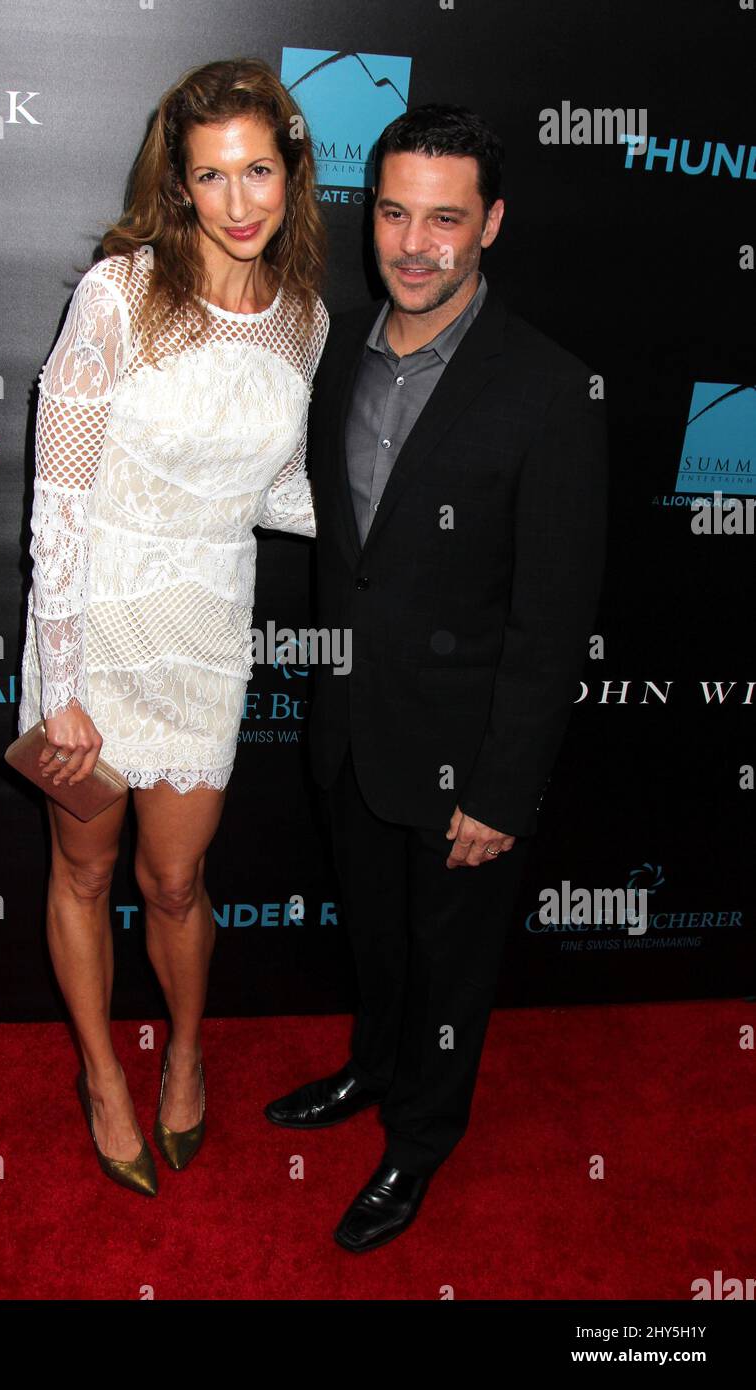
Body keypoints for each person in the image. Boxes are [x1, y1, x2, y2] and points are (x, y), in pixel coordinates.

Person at [265, 104, 608, 1251]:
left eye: (446, 220)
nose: (414, 244)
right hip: (352, 730)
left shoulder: (548, 389)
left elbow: (552, 618)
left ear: (493, 224)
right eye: (396, 213)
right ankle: (370, 1067)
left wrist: (503, 794)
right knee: (373, 939)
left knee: (450, 966)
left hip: (467, 759)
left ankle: (419, 1140)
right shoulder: (333, 351)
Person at [16, 57, 328, 1196]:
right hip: (91, 632)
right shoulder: (118, 295)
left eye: (260, 171)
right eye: (212, 177)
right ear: (179, 184)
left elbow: (280, 490)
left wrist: (392, 507)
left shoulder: (304, 319)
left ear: (292, 172)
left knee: (179, 881)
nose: (240, 201)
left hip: (204, 623)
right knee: (84, 871)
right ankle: (103, 1072)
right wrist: (61, 686)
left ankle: (185, 1050)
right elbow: (58, 500)